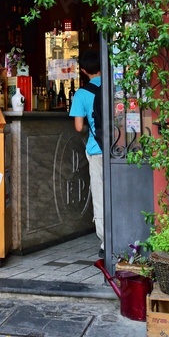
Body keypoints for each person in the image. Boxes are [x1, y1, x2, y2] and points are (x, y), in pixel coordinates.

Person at [69, 49, 104, 257]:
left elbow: (78, 126)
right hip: (118, 149)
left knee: (100, 195)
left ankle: (105, 242)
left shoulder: (81, 94)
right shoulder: (113, 86)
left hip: (95, 148)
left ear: (83, 70)